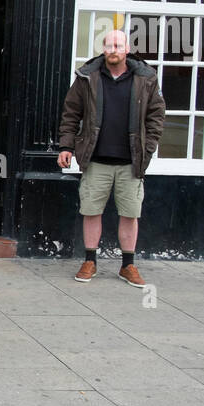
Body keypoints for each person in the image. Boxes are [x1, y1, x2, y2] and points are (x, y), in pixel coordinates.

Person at [57, 28, 165, 287]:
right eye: (109, 45)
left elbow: (156, 116)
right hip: (96, 158)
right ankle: (90, 261)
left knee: (130, 214)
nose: (113, 50)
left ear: (127, 49)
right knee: (91, 211)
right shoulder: (87, 77)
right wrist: (66, 146)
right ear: (103, 49)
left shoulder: (146, 78)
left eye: (118, 45)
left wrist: (147, 148)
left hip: (131, 161)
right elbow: (71, 113)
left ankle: (128, 265)